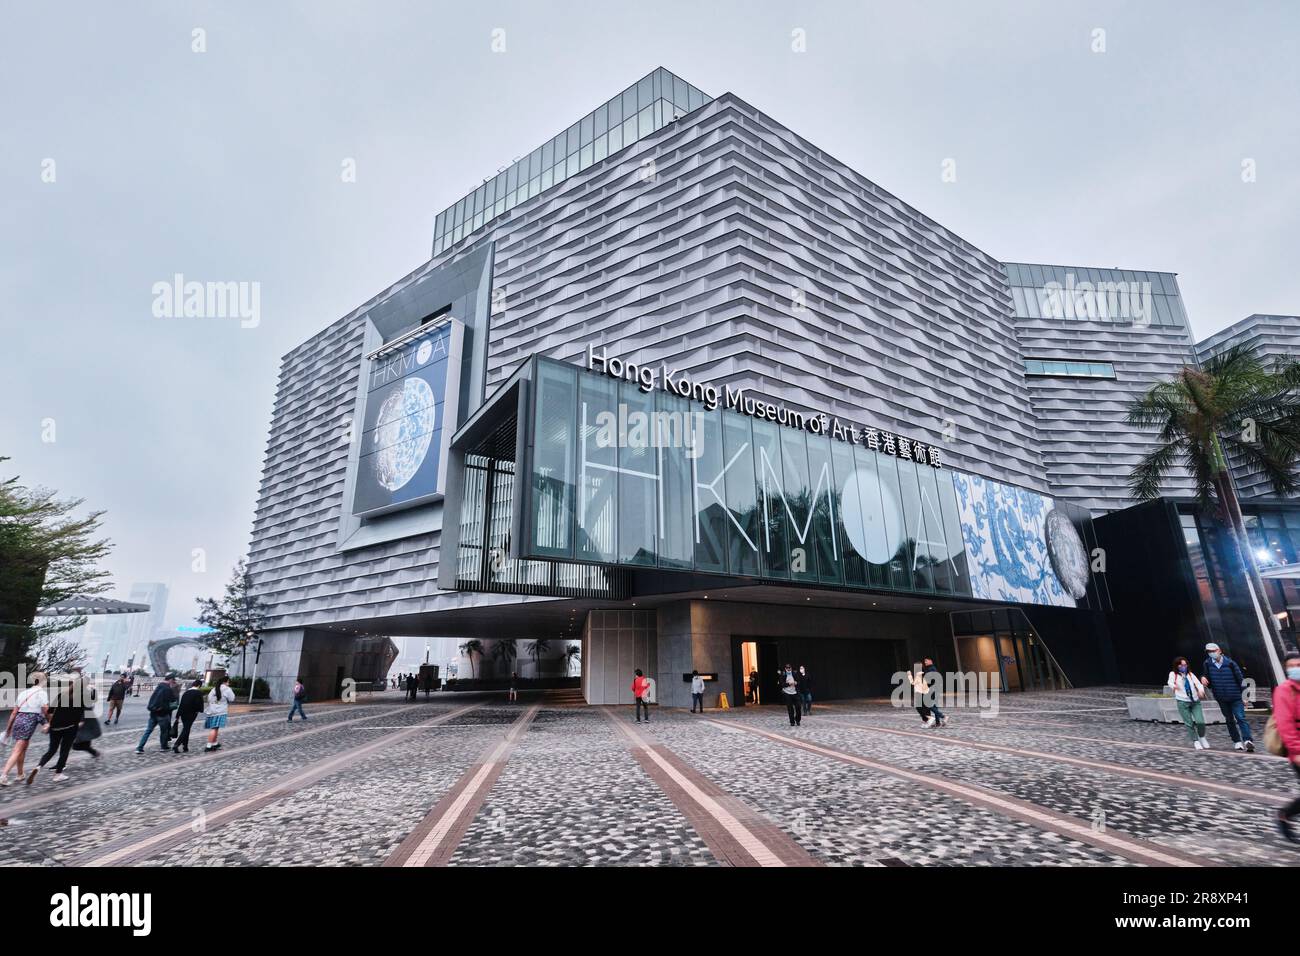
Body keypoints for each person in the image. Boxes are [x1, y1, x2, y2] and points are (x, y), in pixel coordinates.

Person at [29, 676, 86, 784]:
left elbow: (49, 711)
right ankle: (58, 775)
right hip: (70, 728)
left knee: (51, 750)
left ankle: (39, 766)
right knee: (64, 751)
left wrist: (50, 723)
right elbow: (82, 715)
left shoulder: (61, 695)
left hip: (55, 727)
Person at [1200, 642, 1254, 752]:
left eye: (1213, 651)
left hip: (1235, 697)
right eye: (1209, 652)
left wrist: (1245, 696)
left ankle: (1248, 740)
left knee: (1240, 718)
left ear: (1219, 651)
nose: (1211, 653)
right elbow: (1207, 678)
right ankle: (1237, 741)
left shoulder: (1230, 663)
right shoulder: (1207, 663)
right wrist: (1203, 678)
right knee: (1229, 719)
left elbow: (1241, 680)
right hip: (1221, 698)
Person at [1, 673, 49, 786]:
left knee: (22, 748)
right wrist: (50, 722)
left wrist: (8, 729)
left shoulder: (23, 693)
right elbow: (46, 710)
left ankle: (20, 774)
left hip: (18, 720)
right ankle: (3, 776)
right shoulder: (42, 693)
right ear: (42, 681)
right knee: (17, 750)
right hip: (28, 722)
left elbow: (13, 712)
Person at [1274, 652, 1300, 843]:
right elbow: (1285, 724)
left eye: (1298, 664)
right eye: (1292, 665)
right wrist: (1296, 751)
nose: (1296, 668)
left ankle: (1284, 814)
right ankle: (1284, 814)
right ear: (1286, 668)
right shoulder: (1284, 690)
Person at [1168, 656, 1210, 749]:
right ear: (1177, 666)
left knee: (1200, 721)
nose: (1184, 666)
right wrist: (1174, 686)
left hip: (1195, 701)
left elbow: (1198, 684)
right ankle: (1195, 741)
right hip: (1182, 702)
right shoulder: (1173, 674)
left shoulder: (1190, 674)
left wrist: (1201, 691)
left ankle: (1202, 737)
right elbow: (1170, 682)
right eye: (1181, 665)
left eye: (1185, 664)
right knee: (1189, 723)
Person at [136, 675, 178, 753]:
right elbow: (173, 702)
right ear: (171, 680)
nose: (173, 682)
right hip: (163, 714)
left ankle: (139, 747)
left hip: (153, 713)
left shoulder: (158, 687)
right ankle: (163, 747)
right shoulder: (168, 689)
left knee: (148, 731)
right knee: (164, 731)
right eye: (173, 681)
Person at [69, 669, 102, 760]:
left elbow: (89, 705)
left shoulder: (85, 691)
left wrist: (82, 720)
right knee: (78, 743)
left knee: (77, 744)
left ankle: (95, 753)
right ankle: (95, 753)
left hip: (86, 720)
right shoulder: (81, 691)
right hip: (83, 718)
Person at [204, 674, 236, 752]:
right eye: (228, 682)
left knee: (215, 728)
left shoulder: (214, 689)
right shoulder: (227, 689)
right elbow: (232, 699)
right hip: (221, 711)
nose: (229, 683)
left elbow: (209, 699)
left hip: (212, 711)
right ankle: (209, 746)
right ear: (226, 682)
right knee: (214, 728)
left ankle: (214, 743)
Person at [173, 679, 205, 754]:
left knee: (186, 728)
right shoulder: (198, 693)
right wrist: (199, 710)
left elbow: (181, 704)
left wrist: (178, 715)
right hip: (192, 713)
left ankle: (185, 746)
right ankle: (177, 744)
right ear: (199, 685)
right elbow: (198, 704)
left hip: (183, 713)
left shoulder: (186, 692)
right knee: (186, 729)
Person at [922, 657, 947, 727]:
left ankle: (943, 716)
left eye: (926, 661)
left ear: (931, 661)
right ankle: (938, 722)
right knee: (934, 705)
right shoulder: (932, 668)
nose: (925, 663)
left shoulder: (931, 669)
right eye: (925, 662)